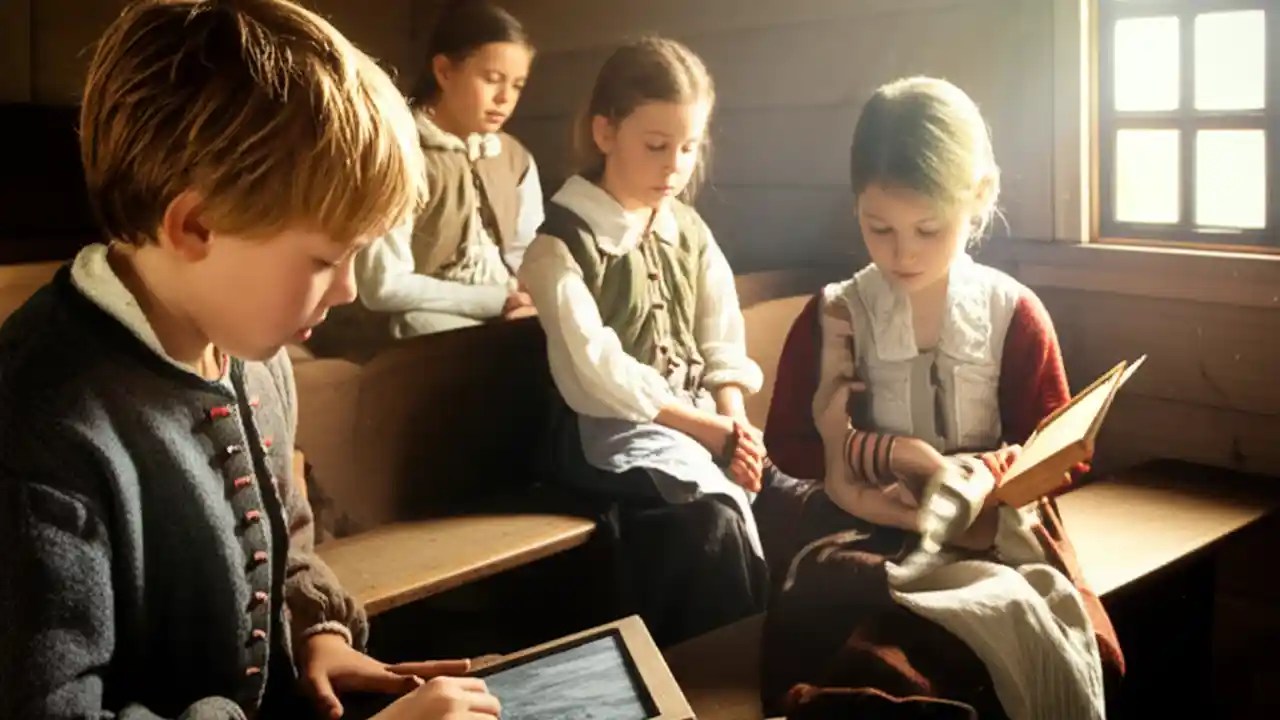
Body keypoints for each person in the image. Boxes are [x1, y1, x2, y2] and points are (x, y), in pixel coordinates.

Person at [0, 2, 499, 718]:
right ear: (197, 224)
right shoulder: (39, 430)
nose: (351, 289)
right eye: (328, 258)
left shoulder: (250, 354)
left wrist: (315, 630)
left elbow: (279, 530)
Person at [758, 76, 1124, 719]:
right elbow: (786, 445)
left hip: (990, 528)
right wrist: (864, 451)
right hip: (861, 529)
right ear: (856, 208)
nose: (903, 253)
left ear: (978, 197)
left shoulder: (1013, 313)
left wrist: (986, 475)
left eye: (928, 229)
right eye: (879, 229)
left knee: (1031, 625)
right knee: (854, 640)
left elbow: (1061, 447)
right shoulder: (834, 314)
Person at [519, 37, 783, 646]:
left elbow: (721, 334)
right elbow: (595, 372)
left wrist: (734, 425)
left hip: (699, 423)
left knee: (787, 501)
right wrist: (708, 433)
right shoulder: (560, 244)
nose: (675, 166)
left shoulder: (688, 228)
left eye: (689, 148)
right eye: (657, 146)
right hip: (609, 430)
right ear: (606, 132)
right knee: (708, 521)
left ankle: (762, 674)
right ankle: (706, 682)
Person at [354, 0, 543, 338]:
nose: (505, 98)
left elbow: (529, 254)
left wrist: (531, 299)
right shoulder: (401, 153)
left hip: (509, 306)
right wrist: (496, 300)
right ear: (444, 71)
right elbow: (382, 285)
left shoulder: (516, 159)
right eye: (492, 79)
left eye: (516, 85)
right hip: (426, 315)